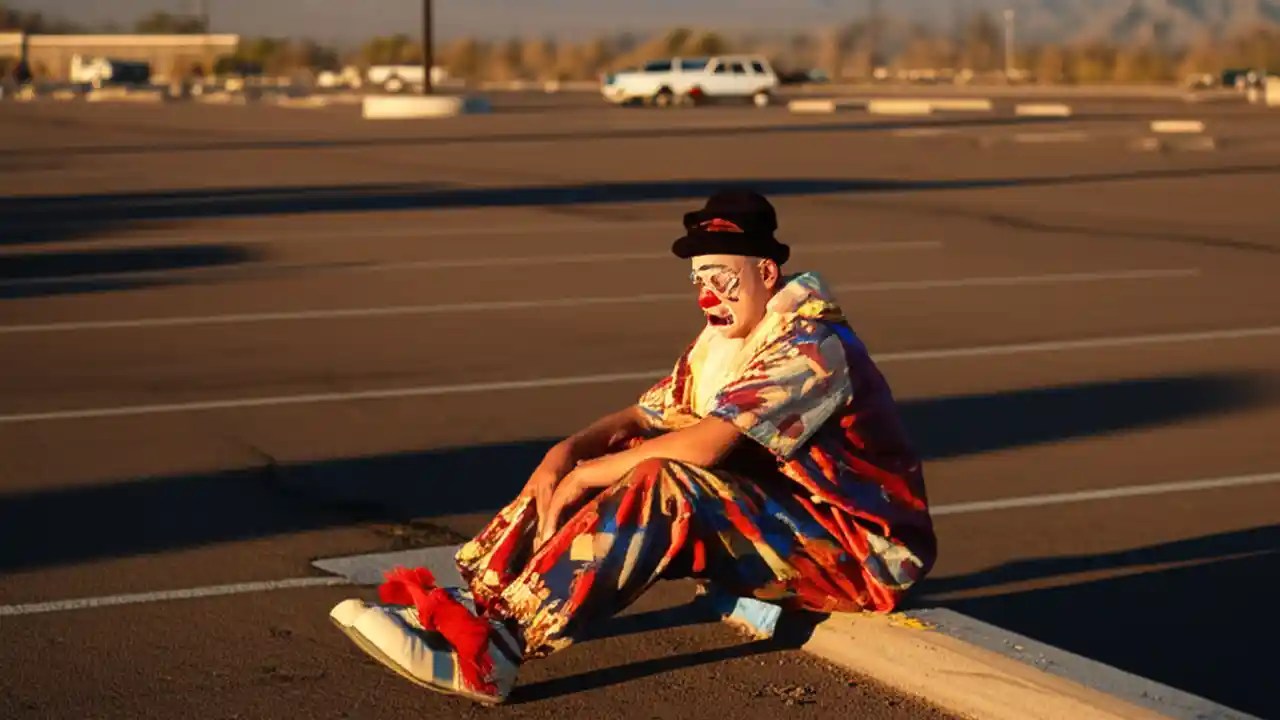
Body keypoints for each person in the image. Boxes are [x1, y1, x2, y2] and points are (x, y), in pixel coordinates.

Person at [329, 190, 937, 704]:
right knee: (603, 462)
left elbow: (704, 446)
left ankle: (495, 650)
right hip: (785, 523)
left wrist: (593, 476)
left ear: (766, 274)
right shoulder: (725, 341)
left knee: (664, 480)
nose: (708, 295)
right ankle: (472, 603)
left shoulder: (809, 346)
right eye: (698, 280)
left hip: (862, 554)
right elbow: (644, 416)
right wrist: (566, 454)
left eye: (722, 278)